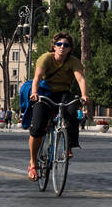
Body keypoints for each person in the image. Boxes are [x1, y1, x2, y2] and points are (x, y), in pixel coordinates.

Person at [27, 33, 89, 181]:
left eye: (66, 45)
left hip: (63, 92)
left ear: (69, 49)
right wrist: (34, 92)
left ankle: (69, 144)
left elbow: (80, 78)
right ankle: (33, 163)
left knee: (72, 110)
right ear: (54, 47)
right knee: (37, 128)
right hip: (45, 92)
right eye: (59, 44)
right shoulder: (46, 58)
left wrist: (84, 95)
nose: (62, 47)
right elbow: (37, 77)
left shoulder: (73, 61)